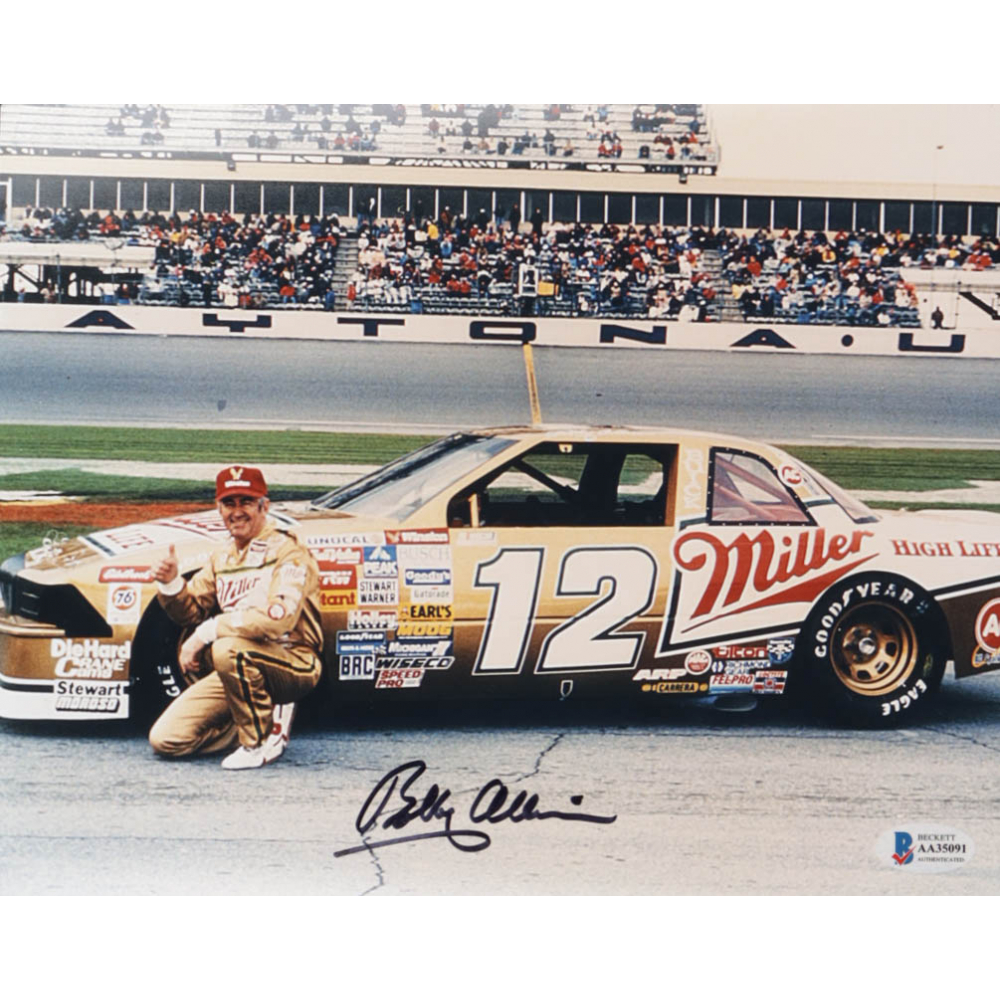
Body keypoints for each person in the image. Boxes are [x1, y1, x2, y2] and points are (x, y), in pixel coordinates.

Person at [148, 465, 324, 770]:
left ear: (264, 506)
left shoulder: (289, 550)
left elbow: (278, 620)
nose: (237, 511)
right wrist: (171, 584)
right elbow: (190, 611)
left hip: (293, 660)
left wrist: (206, 633)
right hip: (240, 665)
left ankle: (256, 743)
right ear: (219, 509)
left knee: (225, 647)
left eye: (246, 502)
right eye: (229, 503)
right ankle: (263, 720)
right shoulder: (223, 556)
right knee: (167, 739)